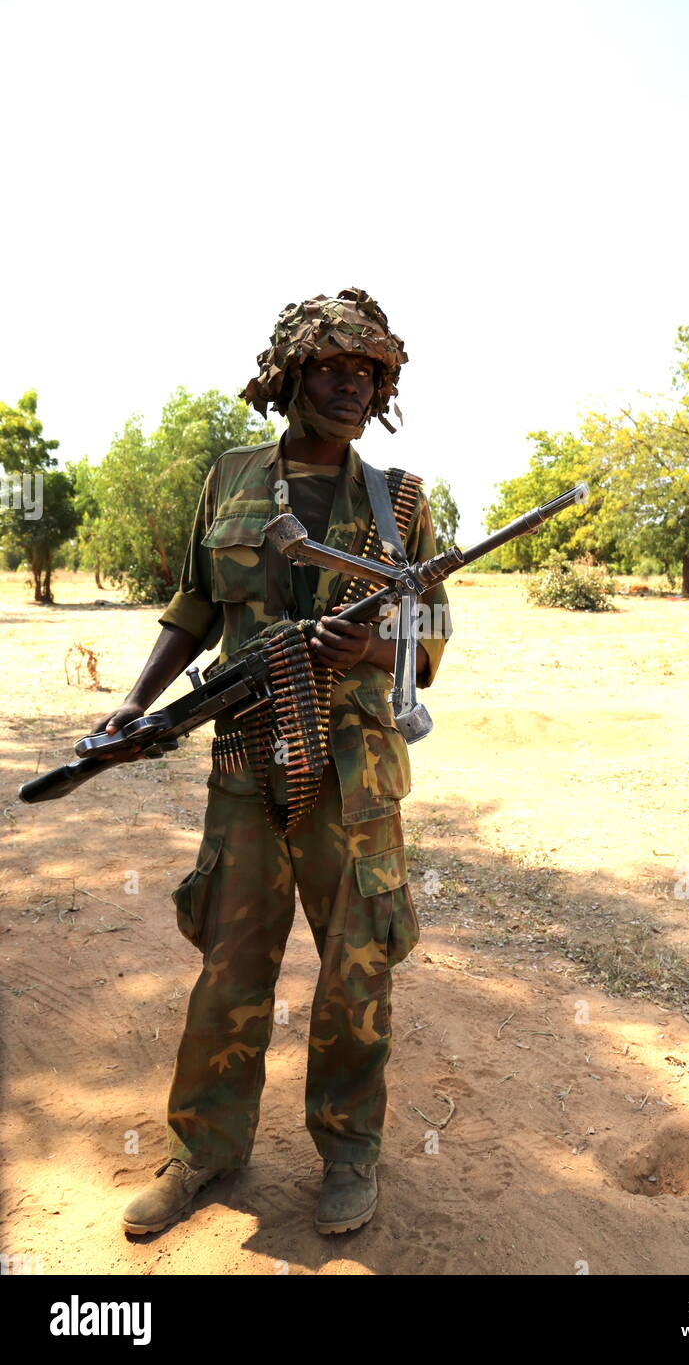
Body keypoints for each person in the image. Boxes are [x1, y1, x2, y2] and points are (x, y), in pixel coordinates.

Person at [95, 288, 450, 1238]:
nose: (350, 387)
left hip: (355, 775)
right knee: (230, 965)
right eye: (331, 368)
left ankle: (348, 1156)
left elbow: (429, 642)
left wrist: (365, 652)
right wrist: (137, 702)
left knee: (356, 970)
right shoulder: (232, 477)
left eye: (368, 374)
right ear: (290, 377)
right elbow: (194, 605)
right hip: (248, 764)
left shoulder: (403, 502)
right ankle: (206, 1151)